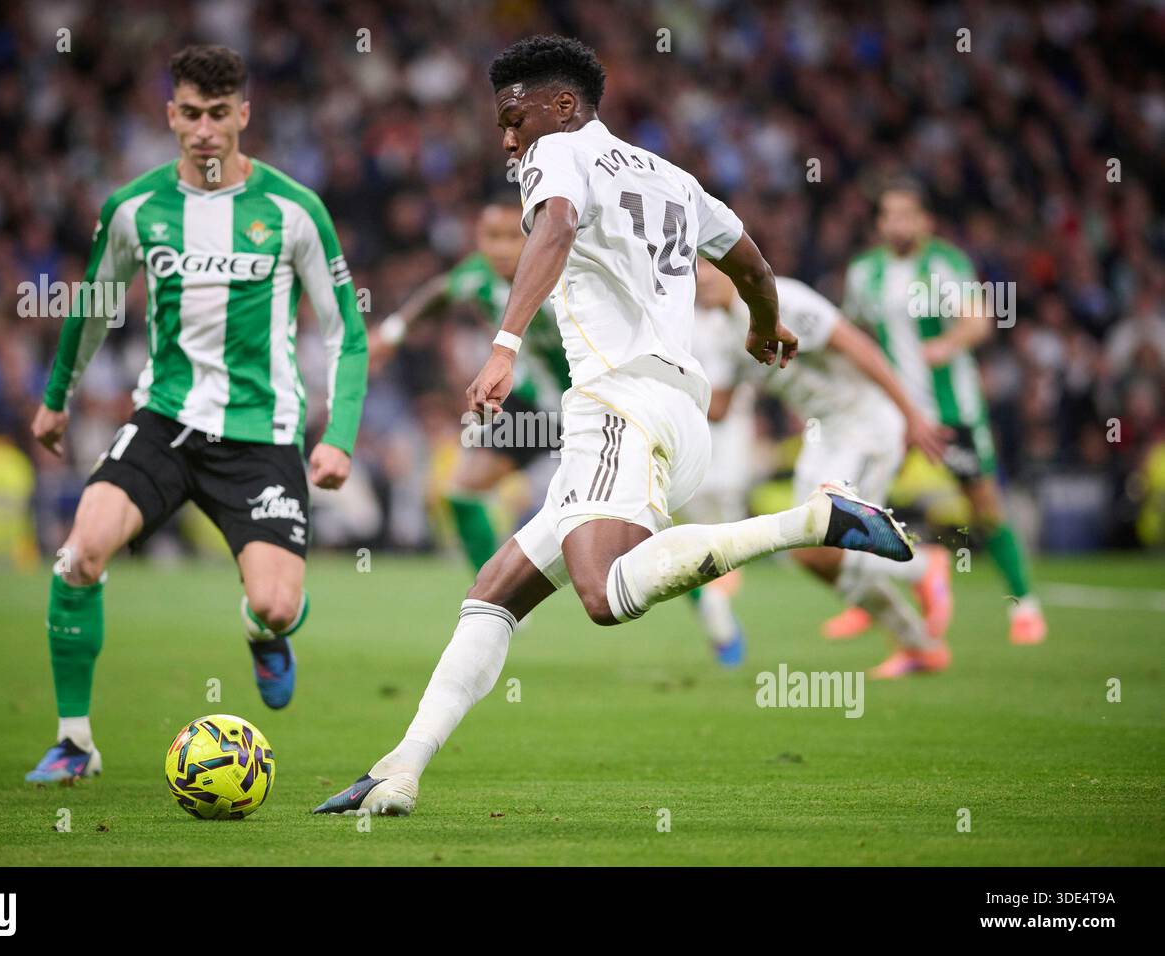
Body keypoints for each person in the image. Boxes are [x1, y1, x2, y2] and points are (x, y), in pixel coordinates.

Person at [315, 35, 914, 816]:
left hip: (617, 406)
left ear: (561, 107)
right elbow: (754, 269)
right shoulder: (673, 177)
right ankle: (401, 768)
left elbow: (555, 227)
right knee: (493, 595)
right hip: (675, 413)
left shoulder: (556, 155)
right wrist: (763, 327)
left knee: (603, 596)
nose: (507, 138)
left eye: (513, 117)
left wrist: (501, 345)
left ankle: (814, 518)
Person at [25, 45, 367, 782]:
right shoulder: (134, 209)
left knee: (278, 605)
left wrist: (338, 436)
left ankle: (260, 632)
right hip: (166, 421)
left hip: (261, 435)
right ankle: (75, 742)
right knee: (81, 552)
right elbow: (92, 308)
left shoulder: (293, 209)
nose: (205, 129)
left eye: (219, 114)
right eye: (191, 114)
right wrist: (56, 400)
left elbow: (347, 331)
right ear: (170, 115)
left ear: (243, 114)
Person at [694, 263, 954, 678]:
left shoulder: (787, 300)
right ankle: (919, 644)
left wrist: (912, 416)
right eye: (692, 272)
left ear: (732, 269)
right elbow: (719, 409)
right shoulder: (721, 334)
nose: (699, 280)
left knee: (824, 543)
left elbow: (858, 347)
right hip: (824, 438)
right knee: (807, 554)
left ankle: (924, 568)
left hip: (865, 425)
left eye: (707, 269)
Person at [834, 182, 1046, 645]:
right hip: (889, 412)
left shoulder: (945, 263)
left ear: (926, 220)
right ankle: (870, 599)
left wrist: (947, 345)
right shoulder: (863, 272)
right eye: (890, 215)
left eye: (908, 214)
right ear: (878, 224)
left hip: (951, 412)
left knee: (984, 506)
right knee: (859, 500)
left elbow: (978, 320)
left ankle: (1024, 606)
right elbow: (852, 335)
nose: (899, 224)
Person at [369, 201, 569, 572]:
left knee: (632, 516)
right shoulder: (480, 274)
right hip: (533, 408)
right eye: (492, 237)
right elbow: (441, 293)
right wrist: (391, 333)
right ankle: (494, 601)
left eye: (514, 237)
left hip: (589, 405)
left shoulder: (569, 276)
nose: (502, 249)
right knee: (460, 494)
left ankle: (708, 607)